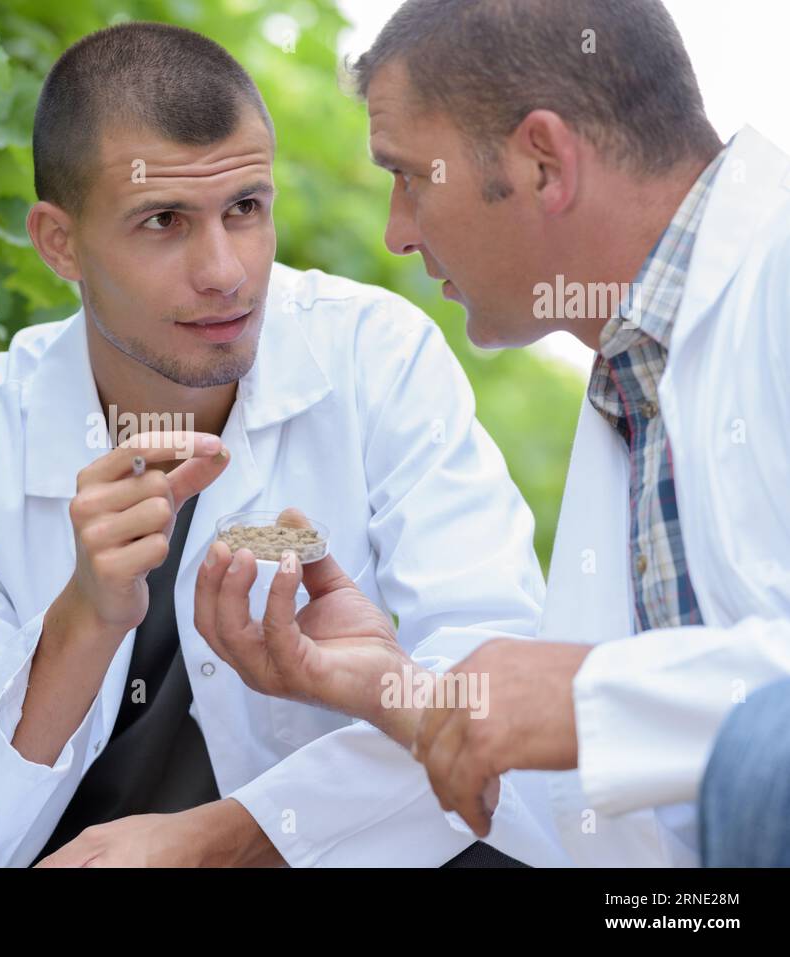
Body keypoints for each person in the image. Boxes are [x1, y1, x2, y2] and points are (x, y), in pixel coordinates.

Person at [0, 22, 567, 867]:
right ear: (58, 242)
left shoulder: (377, 359)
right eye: (164, 220)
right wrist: (80, 622)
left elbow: (491, 696)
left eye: (245, 209)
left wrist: (229, 838)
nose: (225, 270)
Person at [195, 0, 790, 867]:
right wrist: (397, 691)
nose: (398, 233)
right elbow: (623, 826)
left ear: (543, 163)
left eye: (411, 176)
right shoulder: (633, 383)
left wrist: (593, 698)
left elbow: (642, 722)